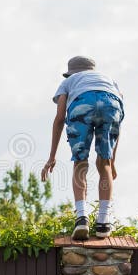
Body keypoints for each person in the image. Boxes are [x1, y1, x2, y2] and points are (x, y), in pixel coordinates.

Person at [41, 56, 124, 240]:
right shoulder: (109, 80)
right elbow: (119, 119)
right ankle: (103, 222)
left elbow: (60, 117)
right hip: (112, 102)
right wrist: (113, 160)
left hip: (82, 102)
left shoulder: (69, 82)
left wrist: (51, 157)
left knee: (80, 162)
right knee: (104, 164)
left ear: (71, 73)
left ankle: (82, 219)